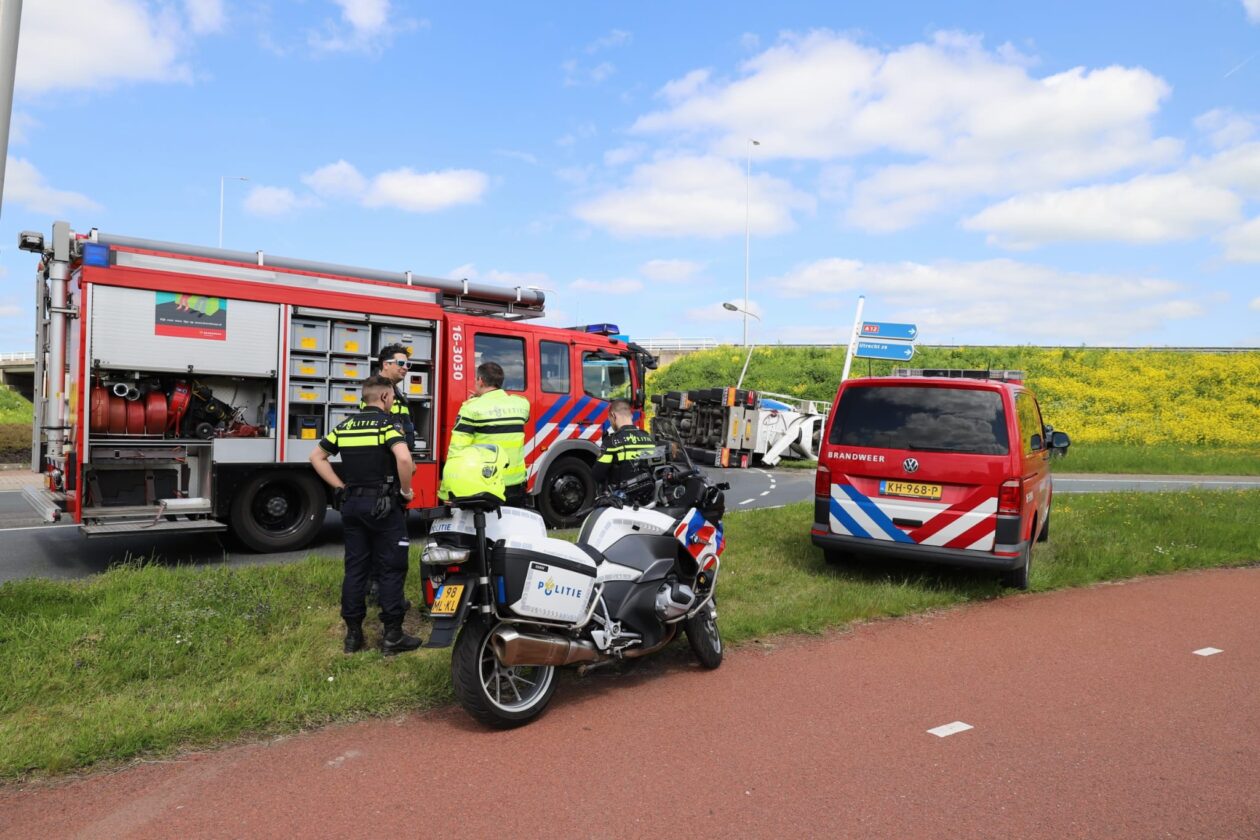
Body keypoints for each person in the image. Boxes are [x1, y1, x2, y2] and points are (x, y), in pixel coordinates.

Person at [310, 375, 422, 655]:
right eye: (392, 397)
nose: (394, 401)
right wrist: (406, 492)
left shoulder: (345, 426)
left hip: (352, 506)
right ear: (384, 397)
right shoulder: (388, 424)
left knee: (356, 569)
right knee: (392, 568)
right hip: (384, 507)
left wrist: (340, 486)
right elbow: (405, 459)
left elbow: (316, 457)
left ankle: (353, 636)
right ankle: (393, 636)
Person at [446, 361, 530, 507]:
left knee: (484, 529)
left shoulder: (471, 409)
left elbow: (456, 451)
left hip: (485, 485)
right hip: (516, 486)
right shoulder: (522, 404)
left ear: (481, 381)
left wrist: (448, 489)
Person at [592, 398, 658, 504]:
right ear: (631, 416)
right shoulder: (648, 438)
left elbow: (597, 474)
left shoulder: (612, 442)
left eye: (610, 419)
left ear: (613, 416)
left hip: (620, 503)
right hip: (647, 501)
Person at [366, 343, 416, 449]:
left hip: (400, 454)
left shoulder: (396, 391)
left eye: (407, 364)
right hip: (388, 454)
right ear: (386, 365)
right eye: (401, 363)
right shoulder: (374, 390)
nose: (405, 368)